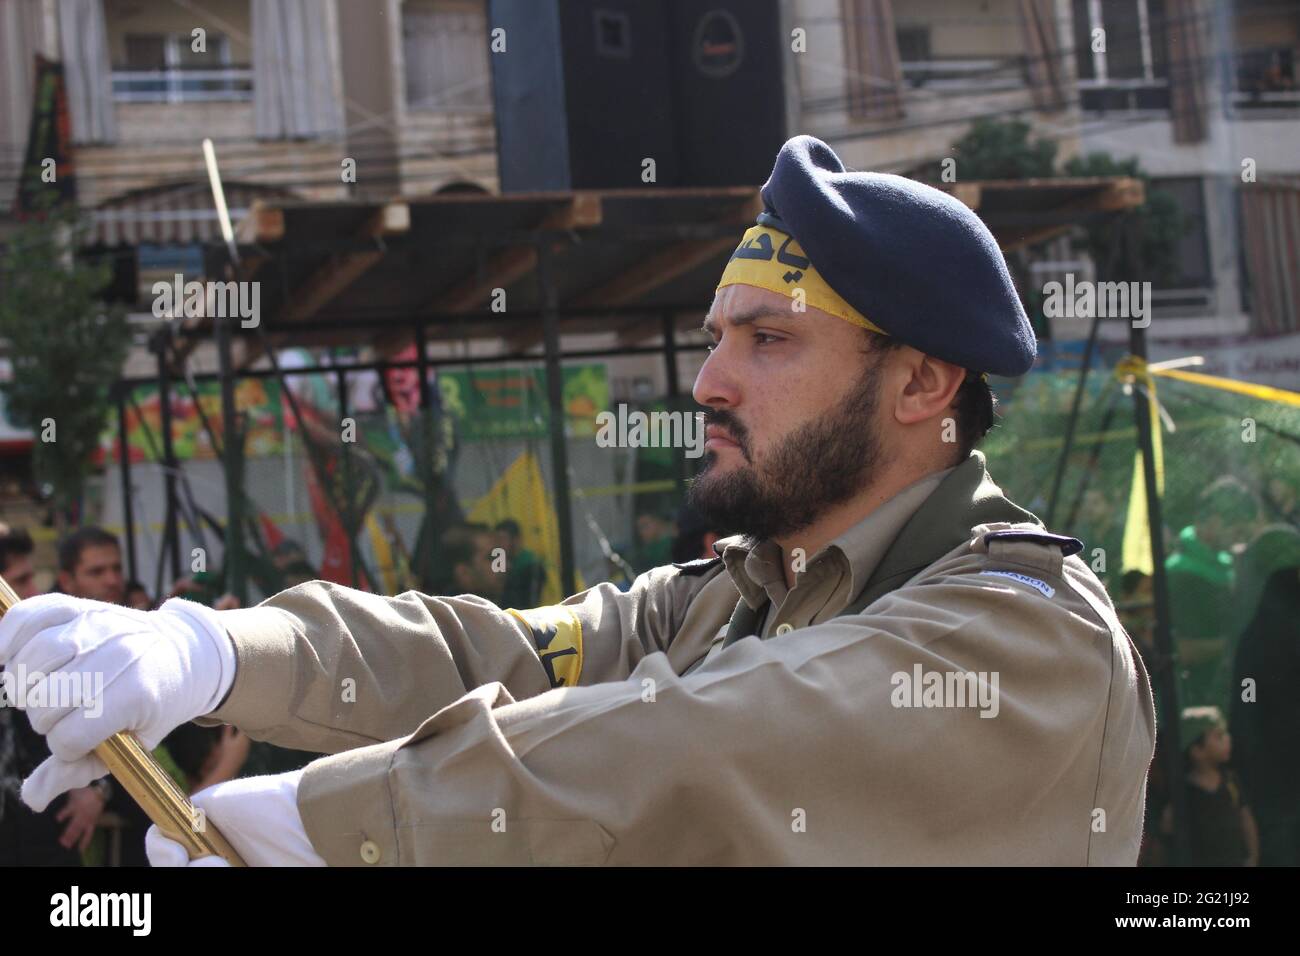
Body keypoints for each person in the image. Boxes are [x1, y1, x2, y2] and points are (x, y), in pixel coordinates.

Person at [0, 135, 1154, 866]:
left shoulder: (1027, 631)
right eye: (715, 340)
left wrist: (341, 821)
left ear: (921, 380)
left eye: (767, 340)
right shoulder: (733, 596)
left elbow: (707, 733)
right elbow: (500, 651)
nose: (707, 379)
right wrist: (210, 650)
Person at [0, 525, 102, 865]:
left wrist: (94, 790)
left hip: (45, 837)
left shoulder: (48, 650)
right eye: (19, 582)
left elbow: (97, 730)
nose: (32, 593)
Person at [1161, 706, 1258, 866]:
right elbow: (1168, 832)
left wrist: (1252, 857)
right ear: (1197, 750)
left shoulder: (1230, 781)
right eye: (1219, 736)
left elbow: (1246, 819)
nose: (1228, 739)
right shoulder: (1184, 791)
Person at [494, 519, 545, 609]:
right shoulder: (501, 562)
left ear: (516, 540)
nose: (499, 544)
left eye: (503, 539)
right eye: (496, 539)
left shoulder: (531, 567)